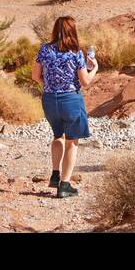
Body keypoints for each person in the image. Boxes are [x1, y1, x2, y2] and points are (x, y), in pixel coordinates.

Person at [31, 16, 98, 198]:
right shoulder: (75, 53)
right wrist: (95, 68)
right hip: (70, 99)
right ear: (72, 31)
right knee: (72, 142)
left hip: (49, 100)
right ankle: (65, 185)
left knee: (57, 135)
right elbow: (85, 81)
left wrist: (50, 85)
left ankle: (55, 174)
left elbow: (35, 76)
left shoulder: (45, 49)